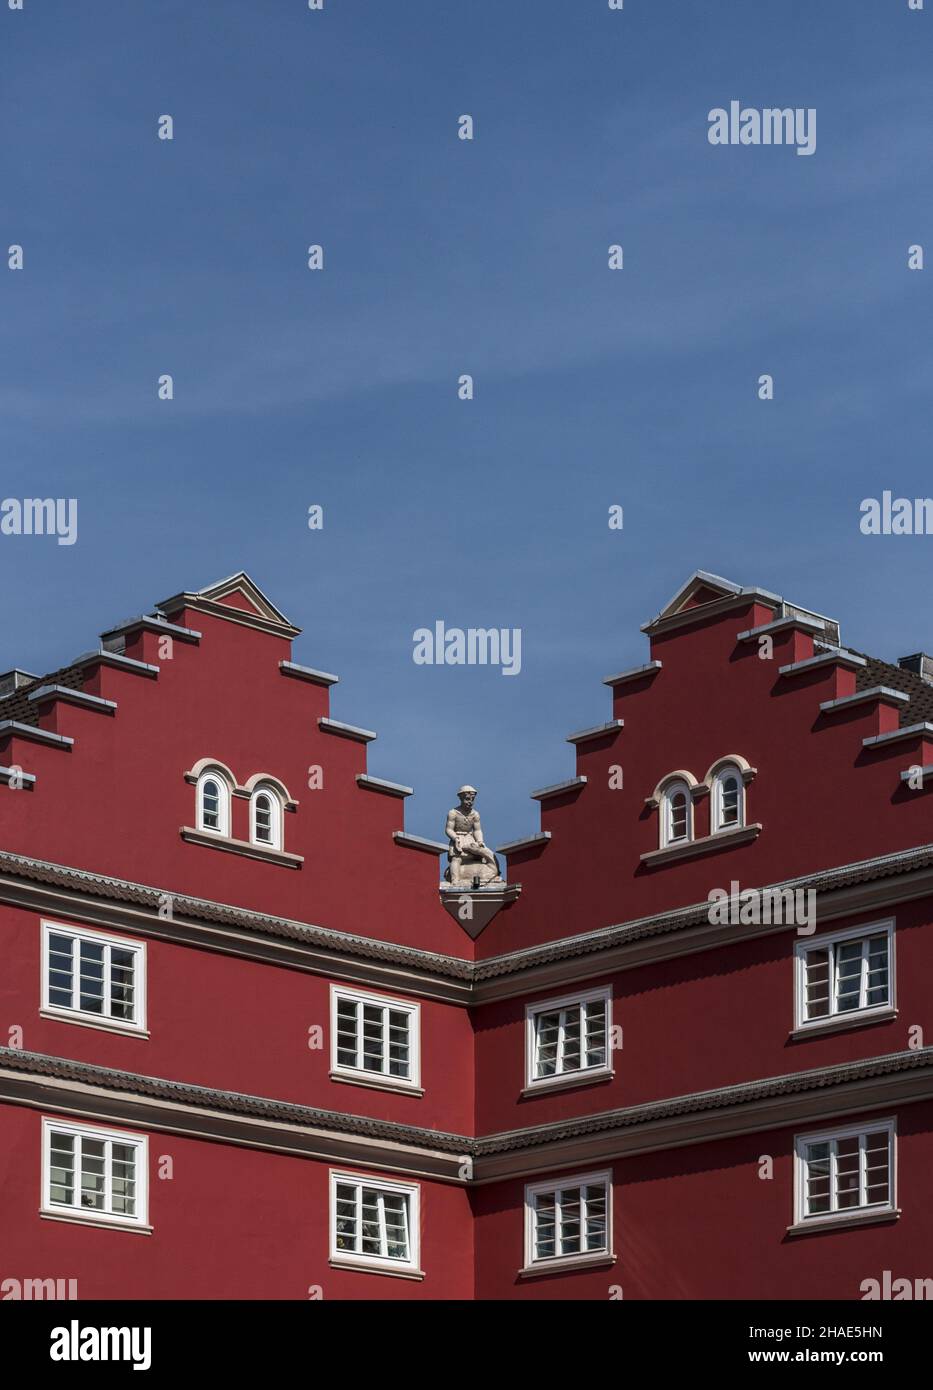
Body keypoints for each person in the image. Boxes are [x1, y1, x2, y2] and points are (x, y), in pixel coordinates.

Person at [445, 785, 500, 882]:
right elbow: (449, 829)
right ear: (461, 798)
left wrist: (480, 841)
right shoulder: (453, 813)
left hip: (470, 838)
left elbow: (477, 830)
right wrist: (455, 838)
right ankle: (455, 880)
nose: (470, 801)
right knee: (456, 859)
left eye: (472, 799)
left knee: (479, 857)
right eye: (467, 799)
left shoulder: (475, 814)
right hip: (457, 838)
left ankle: (480, 879)